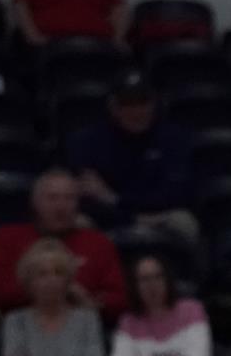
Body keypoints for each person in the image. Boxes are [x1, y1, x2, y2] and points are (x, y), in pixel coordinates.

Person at [64, 74, 197, 238]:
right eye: (127, 104)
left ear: (154, 104)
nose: (137, 111)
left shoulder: (174, 138)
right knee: (79, 222)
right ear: (113, 107)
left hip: (161, 216)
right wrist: (133, 218)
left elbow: (178, 194)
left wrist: (116, 199)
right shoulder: (87, 142)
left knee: (183, 222)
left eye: (143, 102)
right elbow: (87, 199)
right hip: (109, 219)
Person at [0, 170, 128, 317]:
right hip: (23, 325)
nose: (61, 206)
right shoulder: (7, 238)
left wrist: (92, 303)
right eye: (52, 198)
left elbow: (118, 299)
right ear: (35, 202)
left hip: (82, 324)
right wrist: (59, 289)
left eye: (69, 198)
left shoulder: (99, 243)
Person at [0, 240, 105, 356]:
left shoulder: (87, 319)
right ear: (29, 281)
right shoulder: (15, 321)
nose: (52, 280)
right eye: (43, 274)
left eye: (58, 273)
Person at [109, 254, 210, 356]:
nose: (152, 285)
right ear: (134, 286)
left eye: (158, 277)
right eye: (144, 279)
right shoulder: (128, 321)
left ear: (168, 280)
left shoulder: (192, 310)